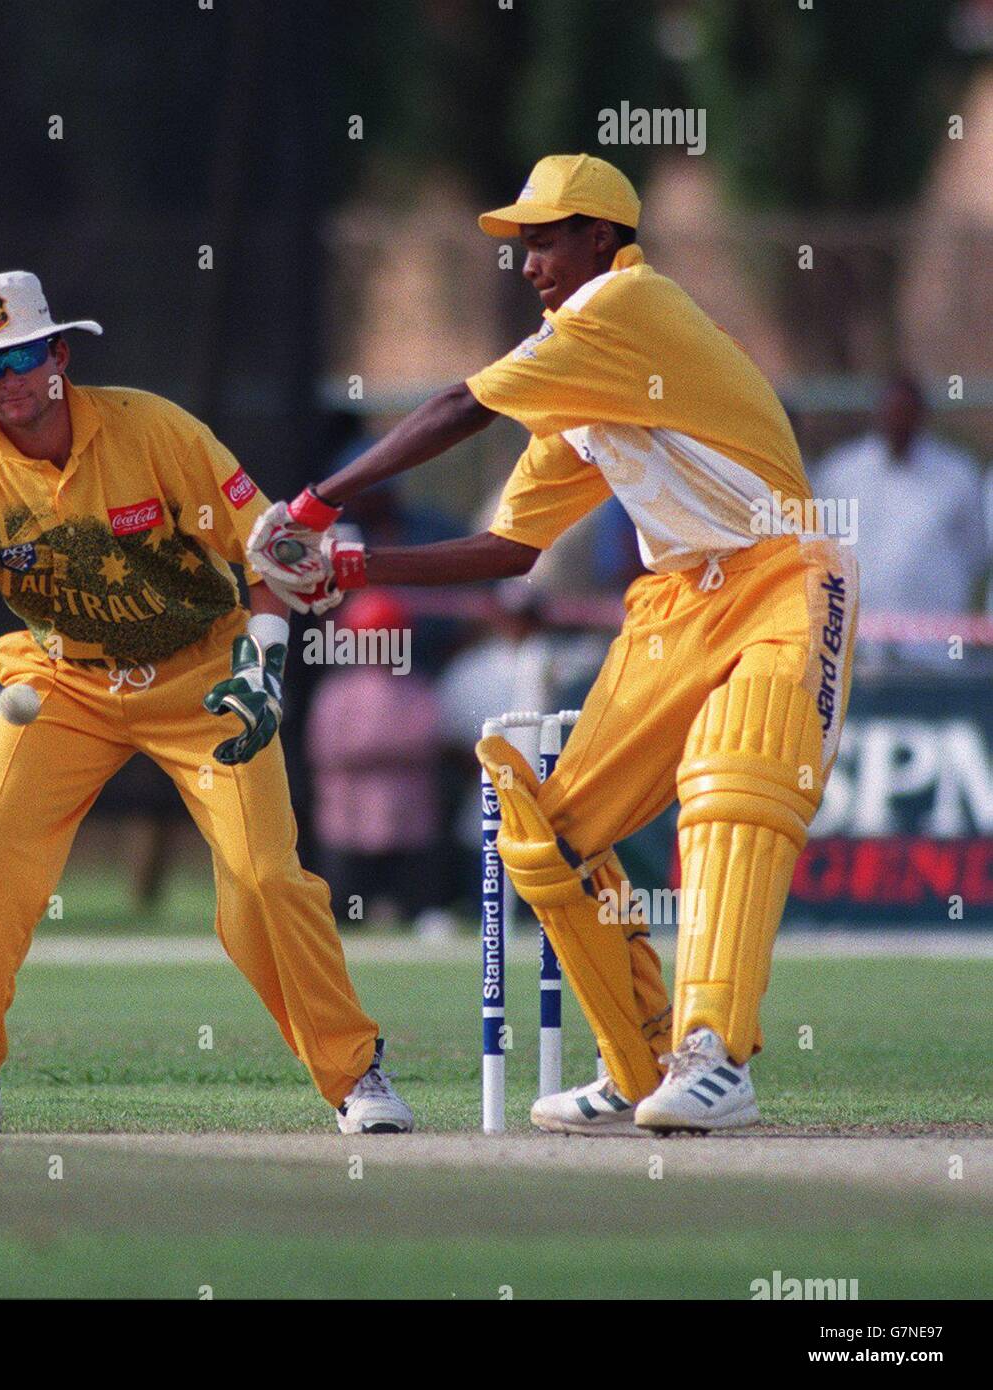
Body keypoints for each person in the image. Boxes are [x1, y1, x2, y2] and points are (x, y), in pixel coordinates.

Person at [248, 154, 858, 1134]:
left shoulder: (627, 308)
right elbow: (508, 550)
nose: (528, 261)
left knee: (732, 787)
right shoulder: (578, 374)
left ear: (604, 238)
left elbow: (457, 408)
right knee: (550, 839)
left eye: (546, 238)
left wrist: (318, 505)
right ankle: (644, 1064)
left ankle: (715, 1056)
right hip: (674, 600)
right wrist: (352, 571)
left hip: (782, 572)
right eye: (521, 243)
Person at [0, 270, 411, 1136]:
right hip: (63, 685)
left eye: (19, 355)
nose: (7, 380)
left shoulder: (152, 430)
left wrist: (263, 667)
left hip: (203, 675)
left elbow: (271, 551)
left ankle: (355, 1076)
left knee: (262, 883)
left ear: (58, 353)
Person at [813, 374, 985, 667]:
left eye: (906, 413)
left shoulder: (957, 475)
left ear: (922, 416)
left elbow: (976, 552)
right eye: (891, 412)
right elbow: (819, 547)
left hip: (933, 646)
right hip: (859, 647)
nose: (898, 421)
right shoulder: (842, 471)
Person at [304, 589, 446, 931]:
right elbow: (325, 749)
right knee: (345, 913)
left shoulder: (416, 687)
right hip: (348, 819)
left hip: (406, 820)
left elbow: (426, 742)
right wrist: (384, 752)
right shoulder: (337, 692)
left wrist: (373, 751)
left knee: (419, 910)